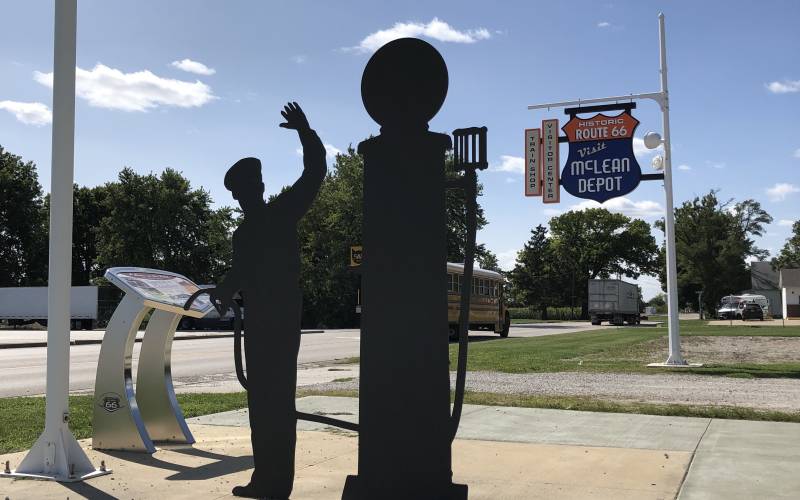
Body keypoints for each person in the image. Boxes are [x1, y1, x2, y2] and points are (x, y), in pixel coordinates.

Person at [211, 102, 327, 499]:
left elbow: (315, 173)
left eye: (246, 190)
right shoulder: (242, 234)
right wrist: (223, 292)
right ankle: (265, 479)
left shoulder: (282, 214)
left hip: (279, 316)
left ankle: (278, 483)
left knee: (277, 402)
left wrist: (305, 131)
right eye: (237, 194)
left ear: (259, 187)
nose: (242, 198)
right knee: (261, 404)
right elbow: (243, 272)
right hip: (258, 320)